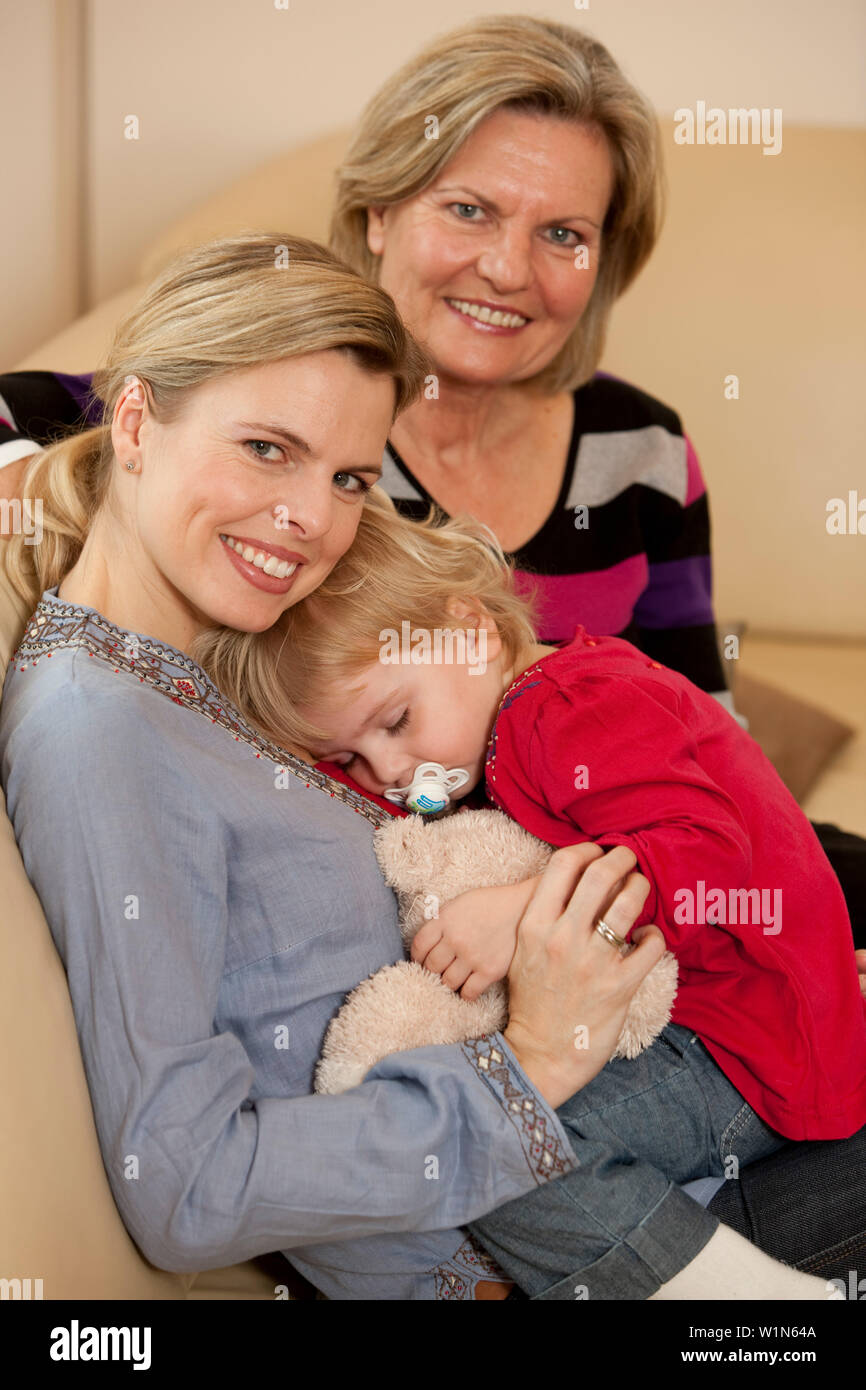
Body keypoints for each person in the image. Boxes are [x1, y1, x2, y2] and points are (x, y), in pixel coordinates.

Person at [194, 499, 864, 1299]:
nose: (391, 771)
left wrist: (523, 912)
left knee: (514, 1145)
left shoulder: (566, 711)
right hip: (720, 1023)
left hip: (750, 1041)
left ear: (471, 630)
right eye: (352, 755)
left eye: (397, 721)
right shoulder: (495, 727)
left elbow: (709, 854)